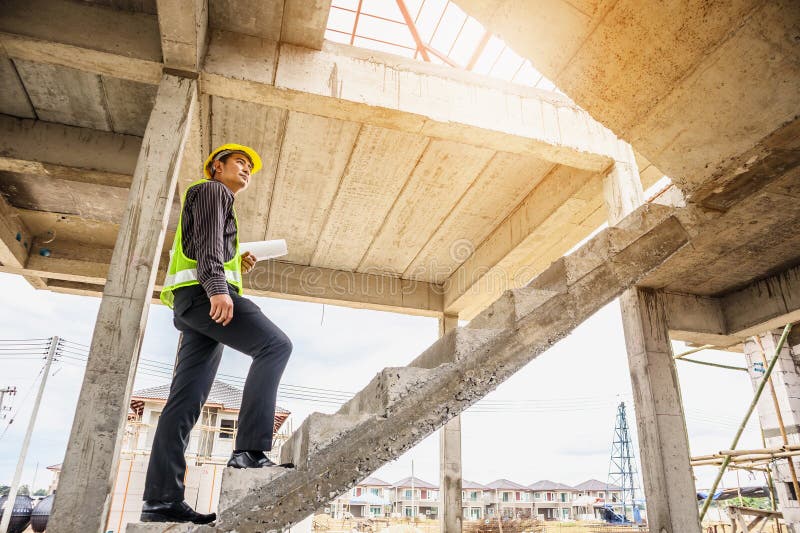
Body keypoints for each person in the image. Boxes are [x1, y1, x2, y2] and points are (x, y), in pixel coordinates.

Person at [140, 144, 293, 524]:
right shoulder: (212, 191)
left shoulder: (214, 200)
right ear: (216, 166)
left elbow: (204, 244)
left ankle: (161, 500)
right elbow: (206, 245)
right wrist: (217, 285)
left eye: (250, 167)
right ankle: (249, 451)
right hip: (204, 297)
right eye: (239, 162)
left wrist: (234, 261)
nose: (246, 170)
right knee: (275, 346)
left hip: (193, 306)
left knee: (185, 400)